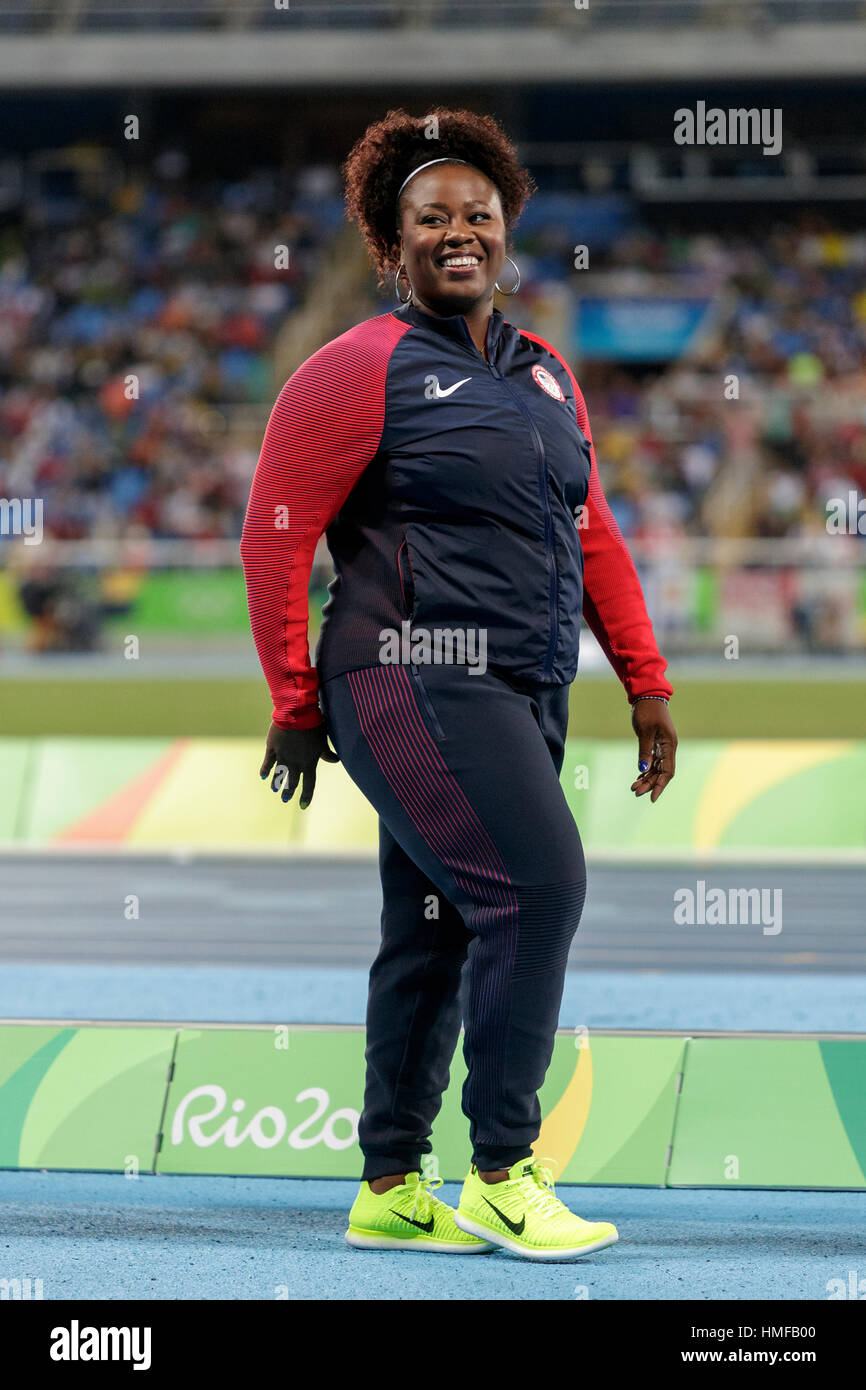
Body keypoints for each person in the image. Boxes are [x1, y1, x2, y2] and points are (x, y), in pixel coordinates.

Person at [240, 108, 677, 1261]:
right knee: (535, 893)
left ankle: (388, 1183)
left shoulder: (544, 377)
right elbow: (275, 537)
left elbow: (590, 538)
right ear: (390, 245)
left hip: (526, 684)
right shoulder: (352, 371)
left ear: (505, 229)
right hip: (403, 672)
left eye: (475, 214)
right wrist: (293, 698)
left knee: (433, 928)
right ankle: (500, 1170)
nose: (457, 232)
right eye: (429, 217)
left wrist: (645, 684)